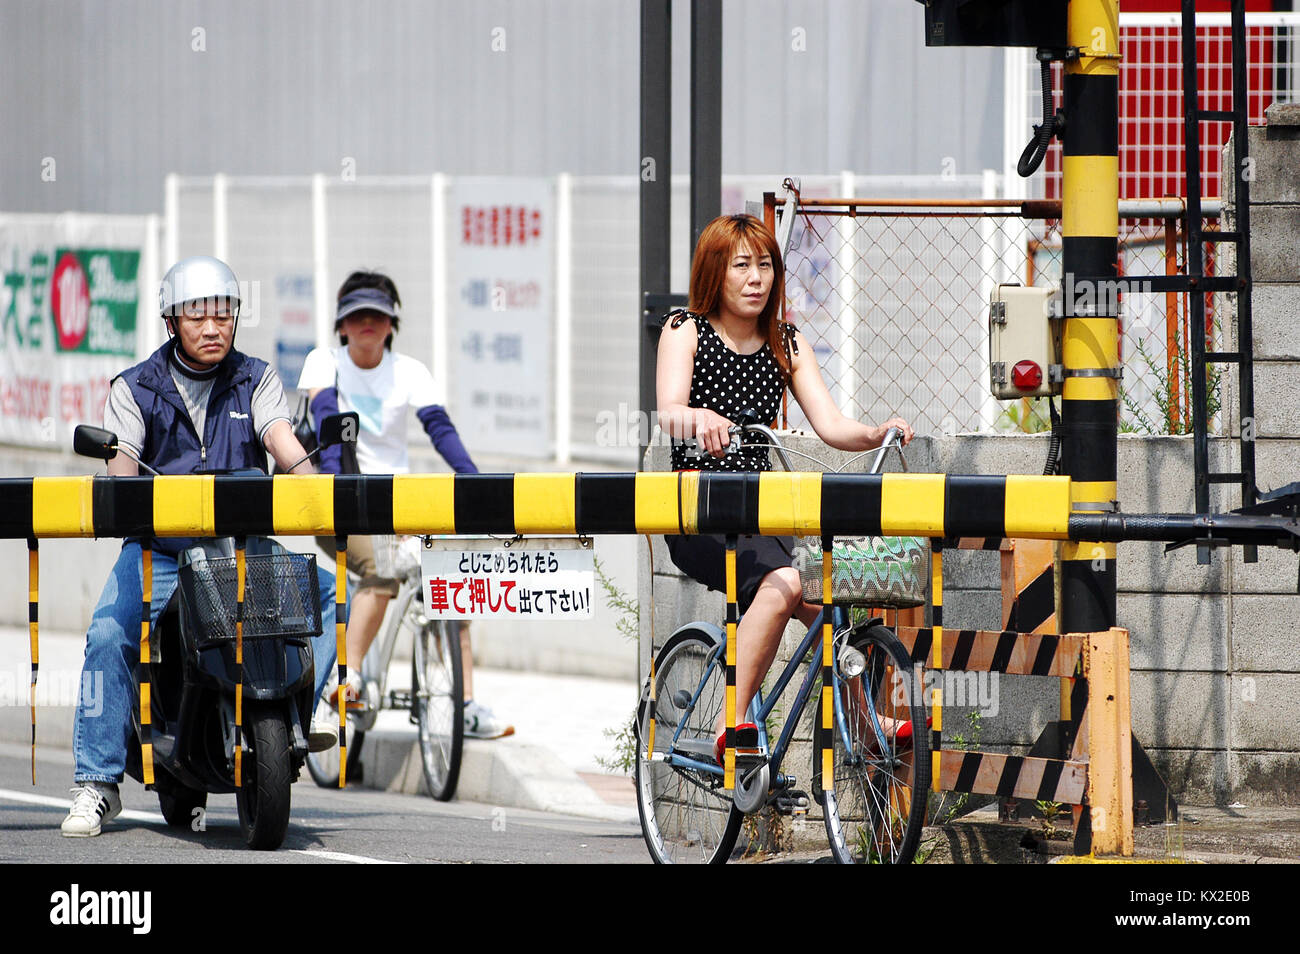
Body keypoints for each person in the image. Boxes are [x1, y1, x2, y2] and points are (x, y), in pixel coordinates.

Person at [62, 255, 341, 837]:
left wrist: (314, 483)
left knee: (328, 593)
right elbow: (121, 469)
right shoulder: (135, 388)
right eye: (197, 316)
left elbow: (282, 443)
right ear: (171, 322)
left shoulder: (256, 378)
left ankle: (294, 719)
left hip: (243, 553)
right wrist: (122, 478)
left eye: (223, 315)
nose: (213, 328)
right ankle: (96, 783)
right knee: (110, 633)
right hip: (162, 553)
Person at [656, 214, 914, 761]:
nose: (756, 278)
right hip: (697, 511)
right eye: (741, 265)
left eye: (766, 265)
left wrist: (874, 432)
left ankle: (865, 723)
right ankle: (736, 724)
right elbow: (669, 412)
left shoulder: (785, 341)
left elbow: (830, 424)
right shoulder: (684, 329)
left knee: (827, 603)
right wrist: (699, 418)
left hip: (762, 512)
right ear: (714, 272)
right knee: (785, 581)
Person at [298, 270, 513, 741]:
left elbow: (440, 430)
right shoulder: (324, 363)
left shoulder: (410, 372)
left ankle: (464, 704)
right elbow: (328, 425)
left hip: (401, 503)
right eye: (357, 315)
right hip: (343, 501)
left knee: (451, 586)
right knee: (383, 568)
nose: (368, 323)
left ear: (393, 323)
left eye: (378, 314)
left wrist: (475, 483)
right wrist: (343, 497)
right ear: (341, 325)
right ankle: (346, 680)